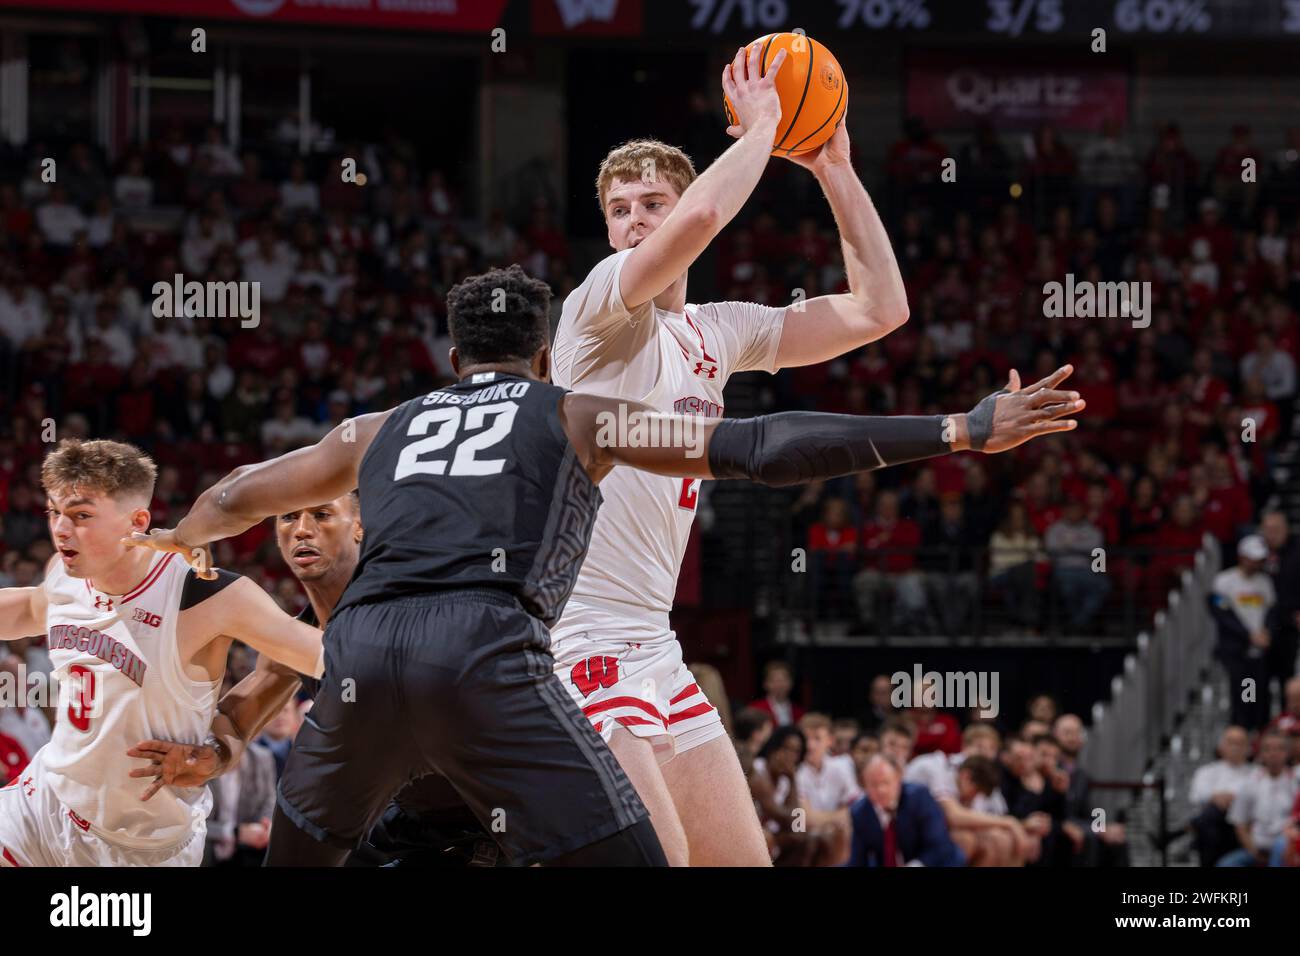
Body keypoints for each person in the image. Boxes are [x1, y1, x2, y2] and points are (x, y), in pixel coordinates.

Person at [126, 264, 1084, 866]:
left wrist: (180, 541)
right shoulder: (573, 413)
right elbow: (758, 444)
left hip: (363, 653)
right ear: (546, 355)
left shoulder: (382, 425)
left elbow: (242, 490)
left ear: (453, 354)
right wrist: (956, 427)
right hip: (485, 650)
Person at [549, 43, 911, 865]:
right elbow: (705, 218)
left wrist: (832, 168)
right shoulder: (596, 308)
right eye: (621, 209)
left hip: (656, 644)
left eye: (652, 203)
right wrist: (760, 132)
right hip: (577, 639)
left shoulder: (720, 329)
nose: (636, 222)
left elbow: (880, 308)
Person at [130, 492, 505, 866]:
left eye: (322, 515)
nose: (302, 530)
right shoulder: (299, 636)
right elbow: (235, 720)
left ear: (360, 527)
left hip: (486, 828)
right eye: (289, 517)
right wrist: (209, 756)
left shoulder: (416, 610)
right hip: (404, 827)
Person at [0, 439, 324, 867]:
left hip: (140, 847)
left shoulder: (204, 594)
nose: (60, 529)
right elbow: (33, 607)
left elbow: (324, 656)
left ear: (136, 521)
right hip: (43, 802)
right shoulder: (64, 571)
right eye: (54, 512)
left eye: (81, 516)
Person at [1209, 535, 1277, 730]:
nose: (1256, 563)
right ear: (1242, 557)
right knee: (1243, 690)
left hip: (1259, 647)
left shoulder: (1264, 582)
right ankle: (1242, 728)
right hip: (1237, 649)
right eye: (1252, 559)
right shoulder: (1224, 581)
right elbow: (1222, 613)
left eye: (1259, 560)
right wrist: (1247, 635)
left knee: (1258, 691)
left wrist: (1266, 632)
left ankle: (1256, 727)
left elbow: (1271, 611)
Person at [848, 754, 965, 866]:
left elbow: (939, 847)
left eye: (886, 782)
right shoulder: (860, 812)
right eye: (873, 784)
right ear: (864, 785)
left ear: (898, 778)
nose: (881, 790)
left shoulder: (918, 797)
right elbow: (858, 861)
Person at [1217, 731, 1298, 866]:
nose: (1274, 753)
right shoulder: (1250, 782)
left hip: (1287, 848)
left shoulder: (1296, 782)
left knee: (1280, 847)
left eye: (1279, 748)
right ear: (1260, 753)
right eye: (1268, 749)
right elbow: (1240, 823)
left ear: (1287, 753)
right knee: (1226, 864)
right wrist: (1254, 851)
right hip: (1256, 849)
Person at [1187, 725, 1253, 866]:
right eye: (1231, 742)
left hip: (1244, 828)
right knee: (1212, 814)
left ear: (1248, 747)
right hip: (1212, 828)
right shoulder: (1206, 771)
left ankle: (1182, 833)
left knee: (1211, 816)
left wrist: (1230, 798)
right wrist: (1218, 798)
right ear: (1221, 746)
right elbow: (1197, 795)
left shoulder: (1256, 773)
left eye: (1240, 743)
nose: (1235, 747)